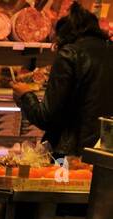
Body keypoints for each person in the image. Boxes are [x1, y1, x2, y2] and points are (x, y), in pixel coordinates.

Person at [14, 4, 113, 157]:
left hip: (70, 158)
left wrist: (25, 95)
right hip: (106, 154)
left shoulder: (70, 54)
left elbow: (47, 117)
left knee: (66, 181)